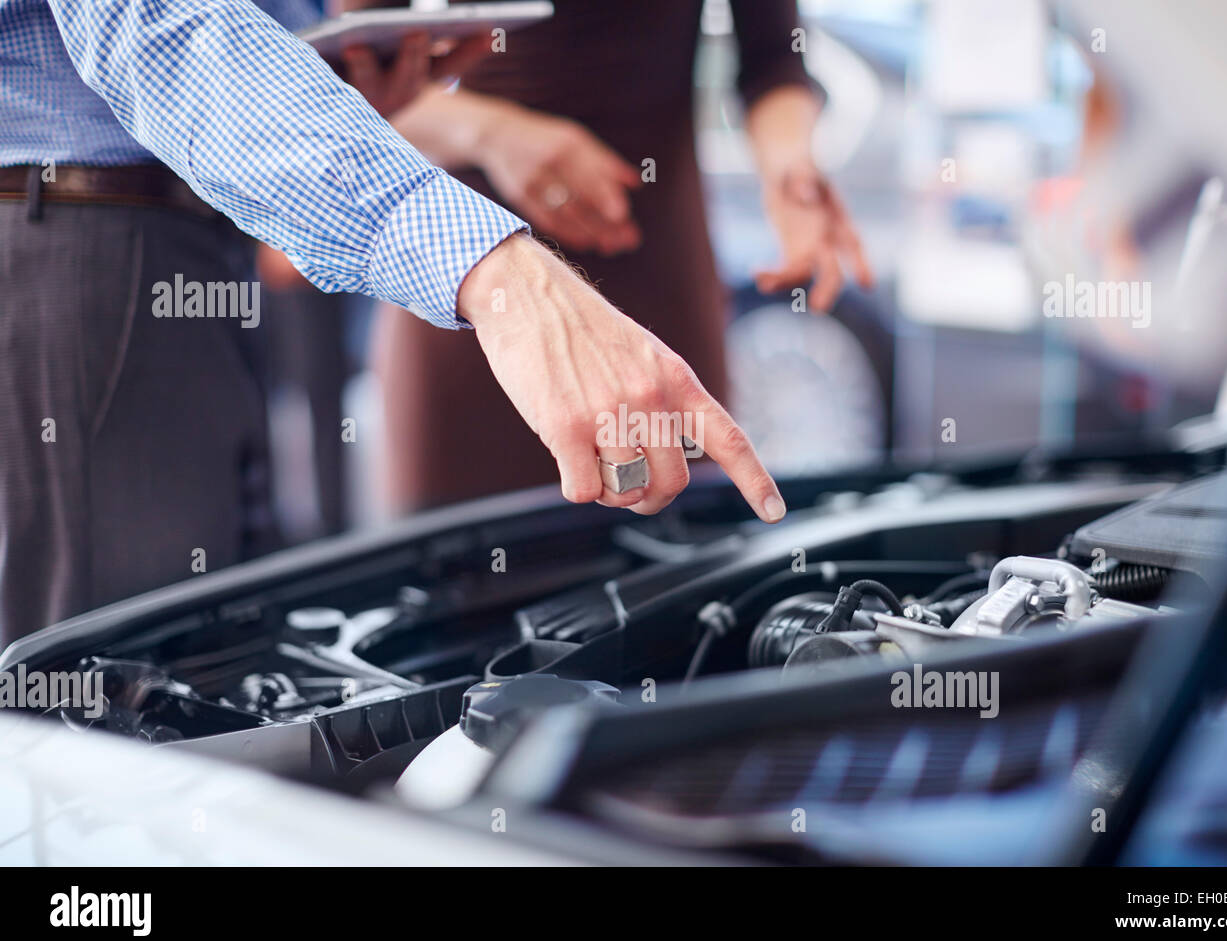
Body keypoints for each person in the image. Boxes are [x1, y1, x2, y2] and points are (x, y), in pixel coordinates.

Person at [0, 0, 783, 648]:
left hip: (179, 237)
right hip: (85, 233)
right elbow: (167, 27)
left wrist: (330, 85)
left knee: (191, 682)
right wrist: (508, 277)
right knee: (107, 736)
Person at [372, 0, 872, 509]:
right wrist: (491, 134)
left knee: (675, 559)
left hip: (661, 290)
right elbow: (347, 83)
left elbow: (774, 60)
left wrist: (790, 164)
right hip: (472, 294)